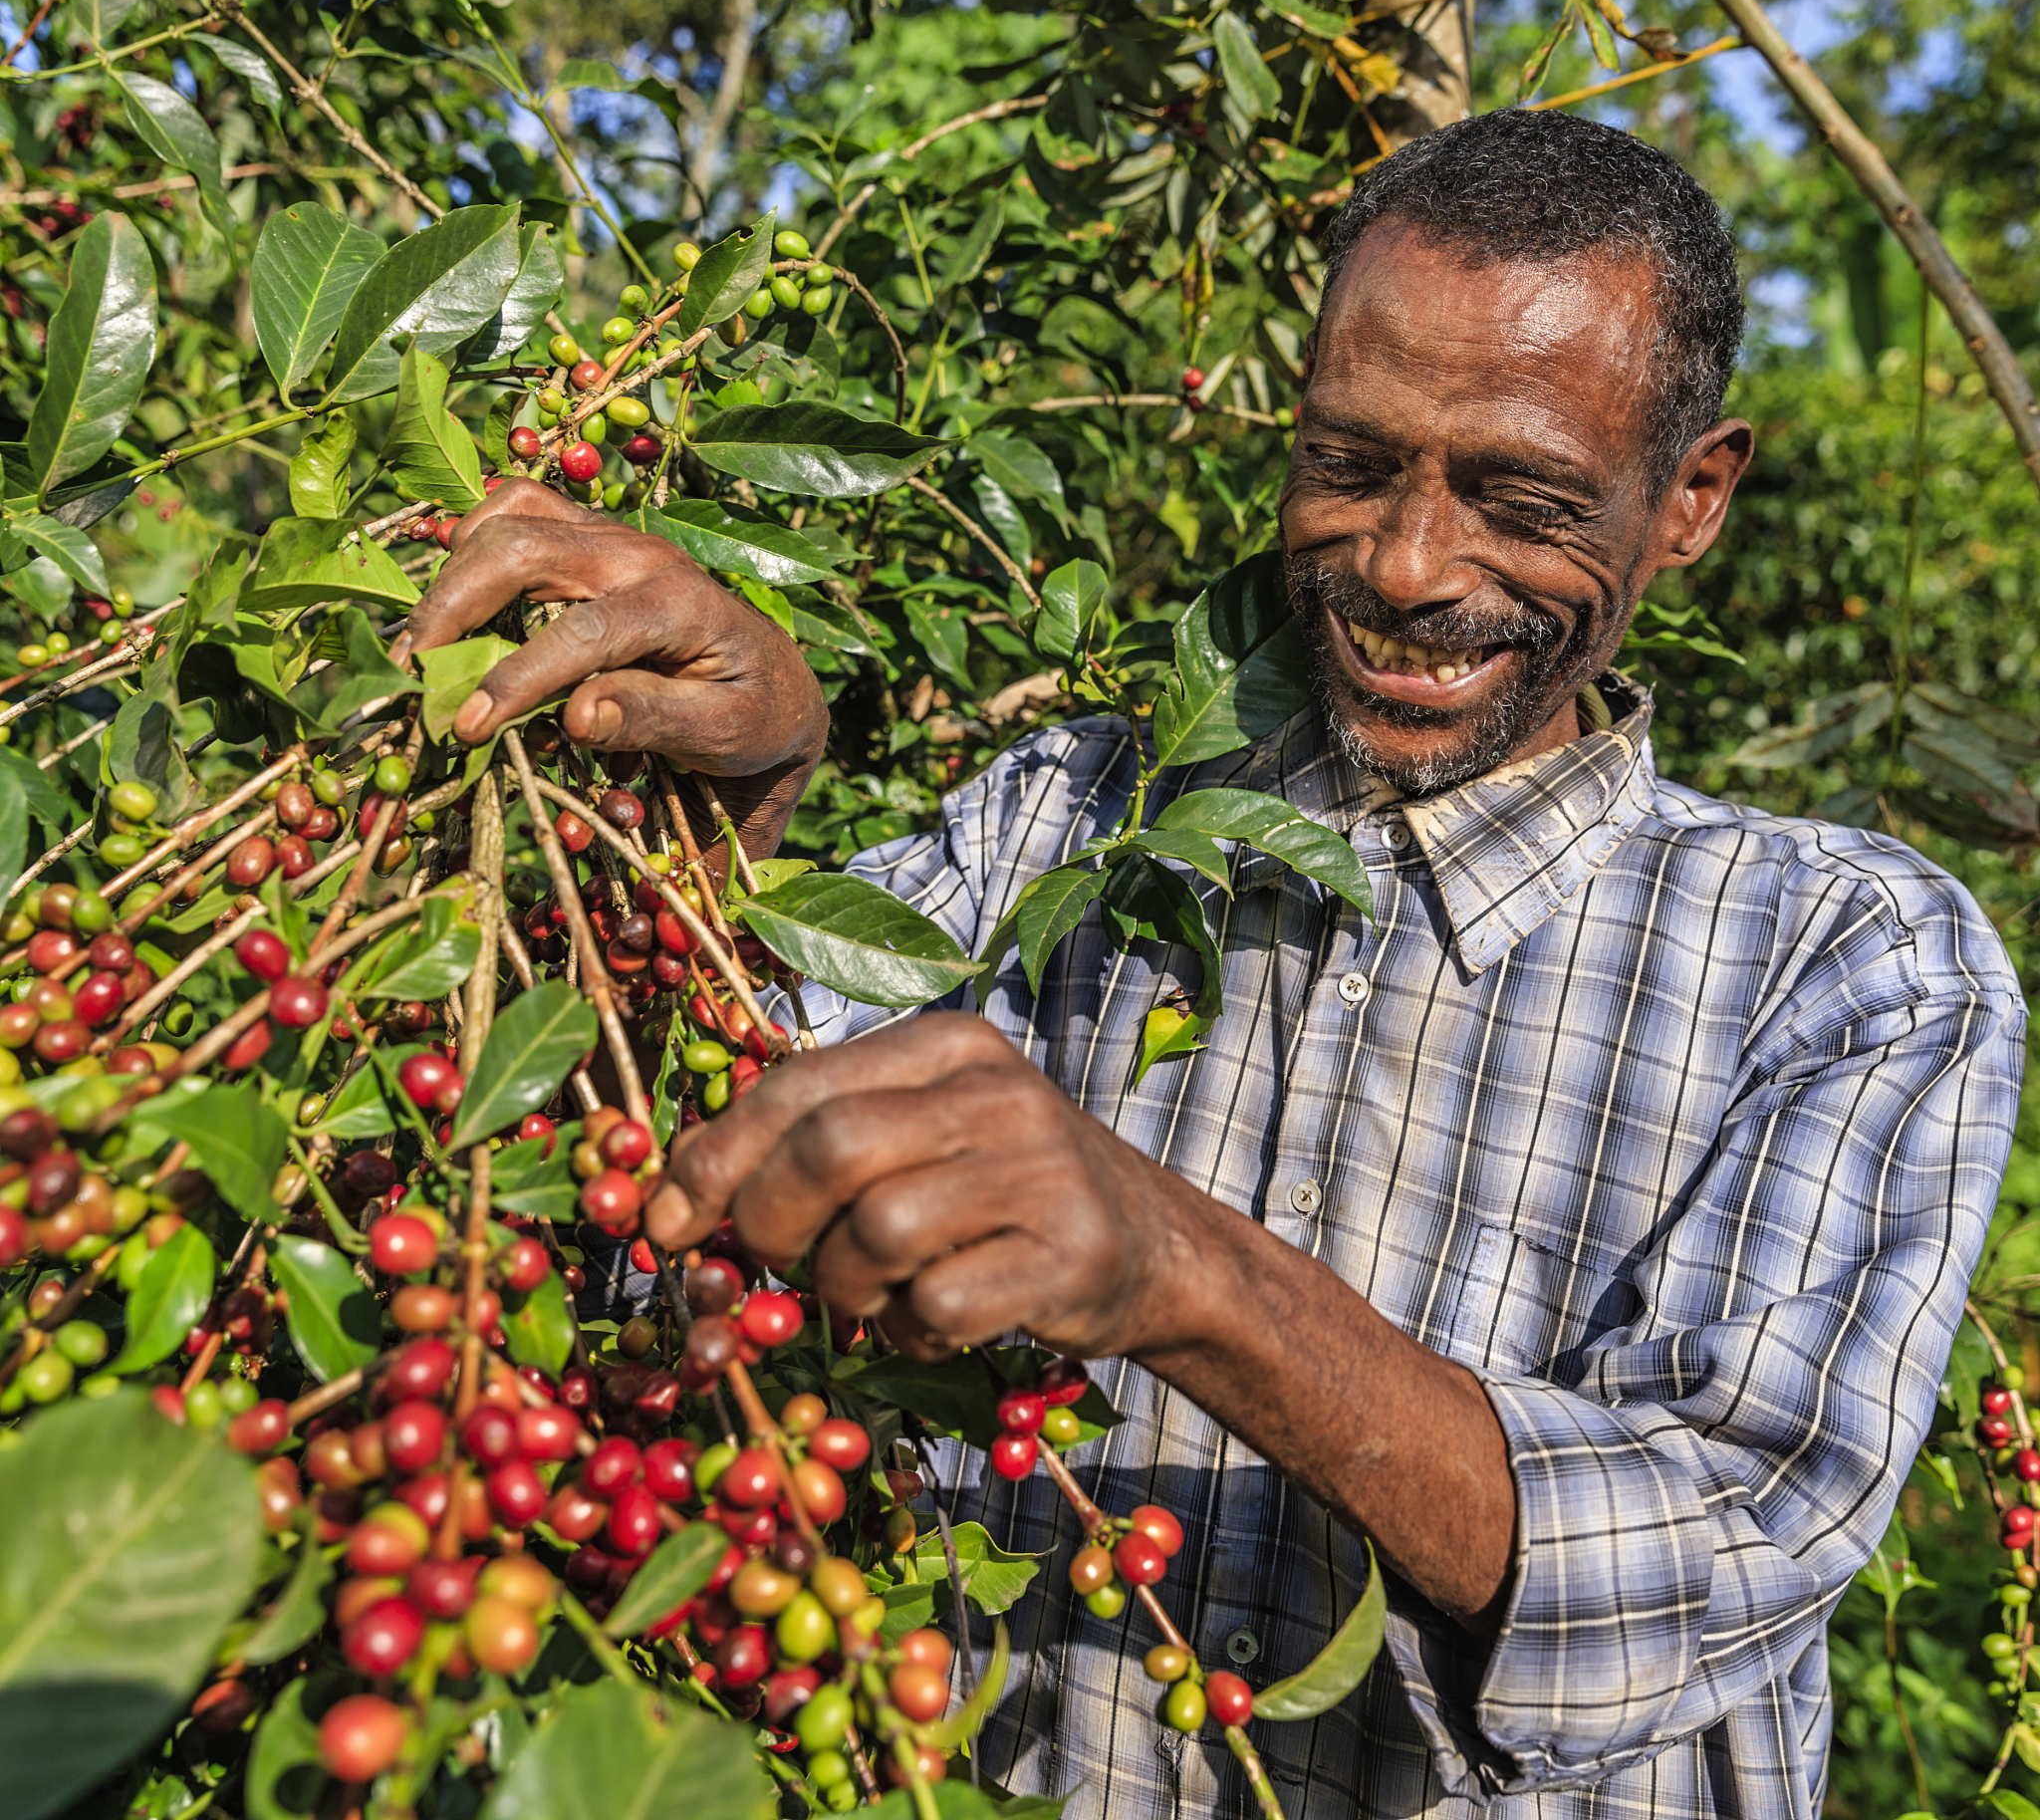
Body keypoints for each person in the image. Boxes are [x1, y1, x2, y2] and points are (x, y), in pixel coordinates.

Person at [400, 109, 2025, 1818]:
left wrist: (1183, 1271)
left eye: (1526, 500)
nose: (1406, 567)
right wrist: (736, 803)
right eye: (1349, 464)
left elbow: (1706, 1559)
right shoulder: (1061, 823)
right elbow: (647, 1158)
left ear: (1690, 499)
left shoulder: (1850, 958)